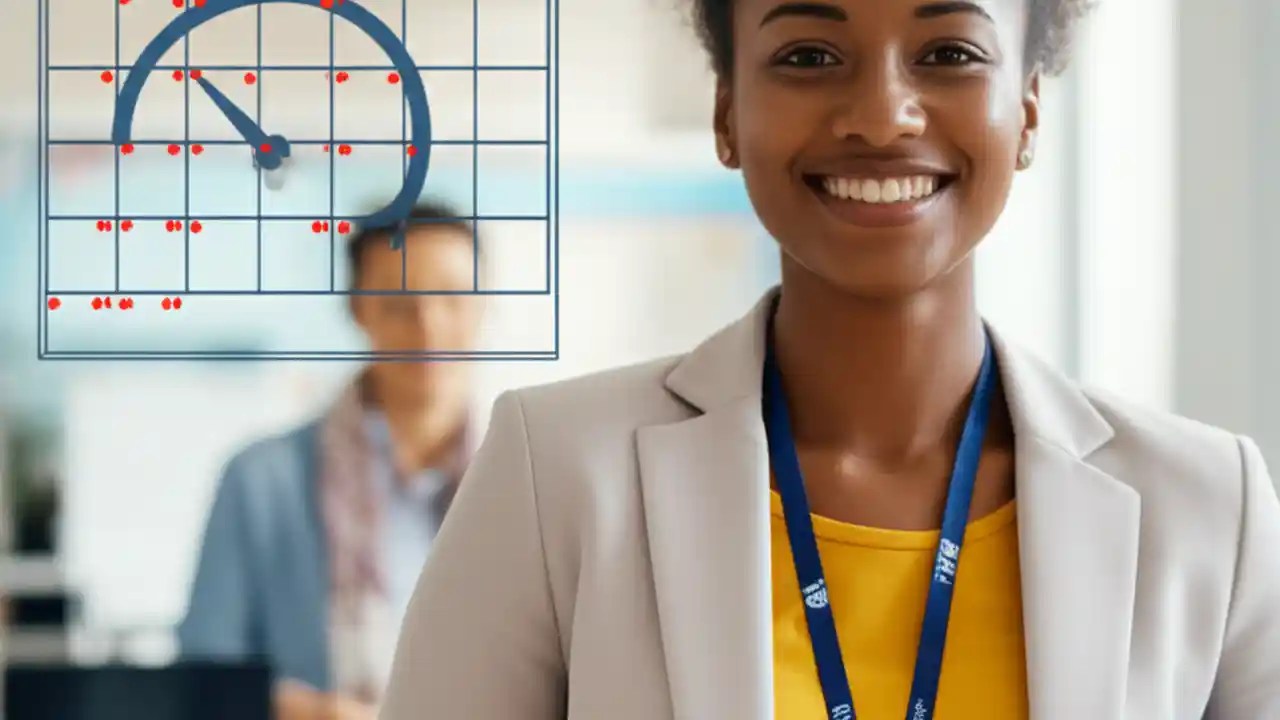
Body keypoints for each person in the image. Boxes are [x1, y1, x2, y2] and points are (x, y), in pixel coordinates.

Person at [378, 1, 1280, 718]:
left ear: (1031, 108)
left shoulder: (1207, 510)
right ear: (727, 113)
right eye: (809, 56)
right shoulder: (557, 476)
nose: (883, 115)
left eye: (951, 53)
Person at [177, 201, 484, 720]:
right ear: (358, 309)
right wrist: (313, 714)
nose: (428, 325)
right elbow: (204, 678)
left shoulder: (530, 481)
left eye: (453, 297)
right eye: (399, 301)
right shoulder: (259, 481)